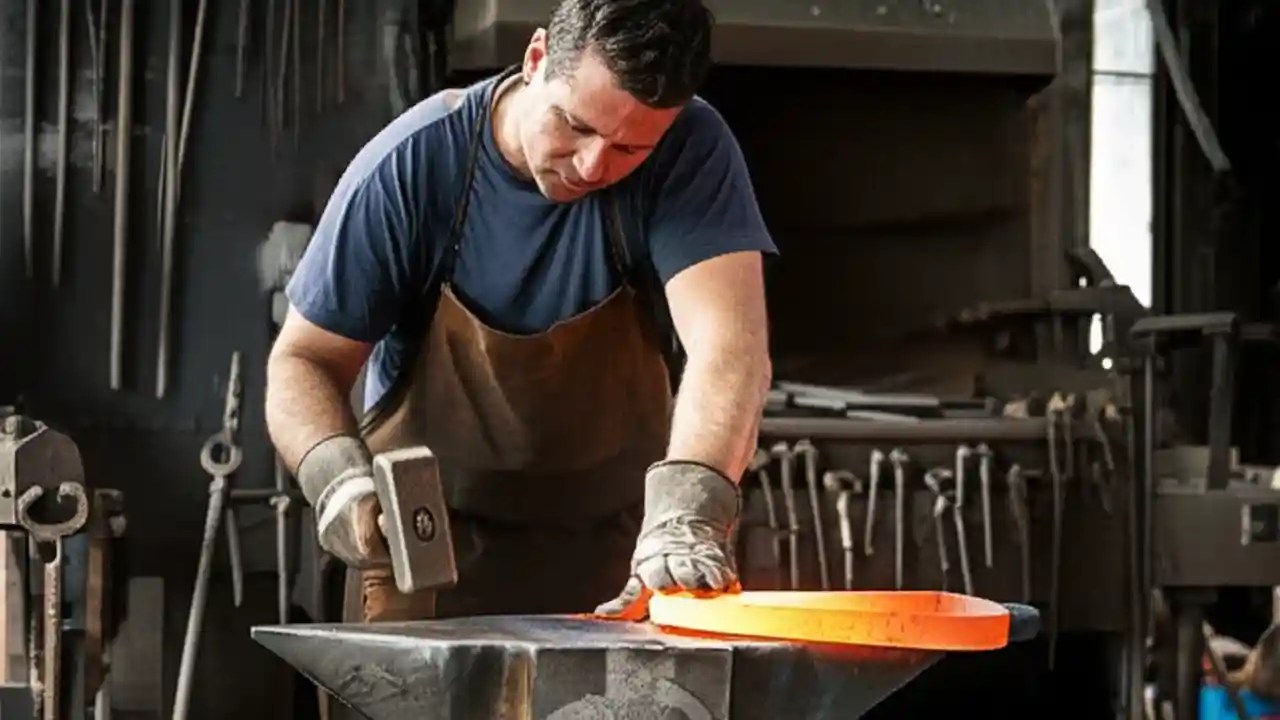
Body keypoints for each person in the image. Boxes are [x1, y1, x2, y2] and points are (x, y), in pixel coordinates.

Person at [265, 0, 776, 624]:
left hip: (617, 561)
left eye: (629, 149)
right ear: (536, 59)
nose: (593, 166)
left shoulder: (690, 149)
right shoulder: (414, 165)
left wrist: (688, 511)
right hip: (422, 558)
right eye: (575, 125)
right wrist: (338, 481)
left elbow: (730, 349)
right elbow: (304, 360)